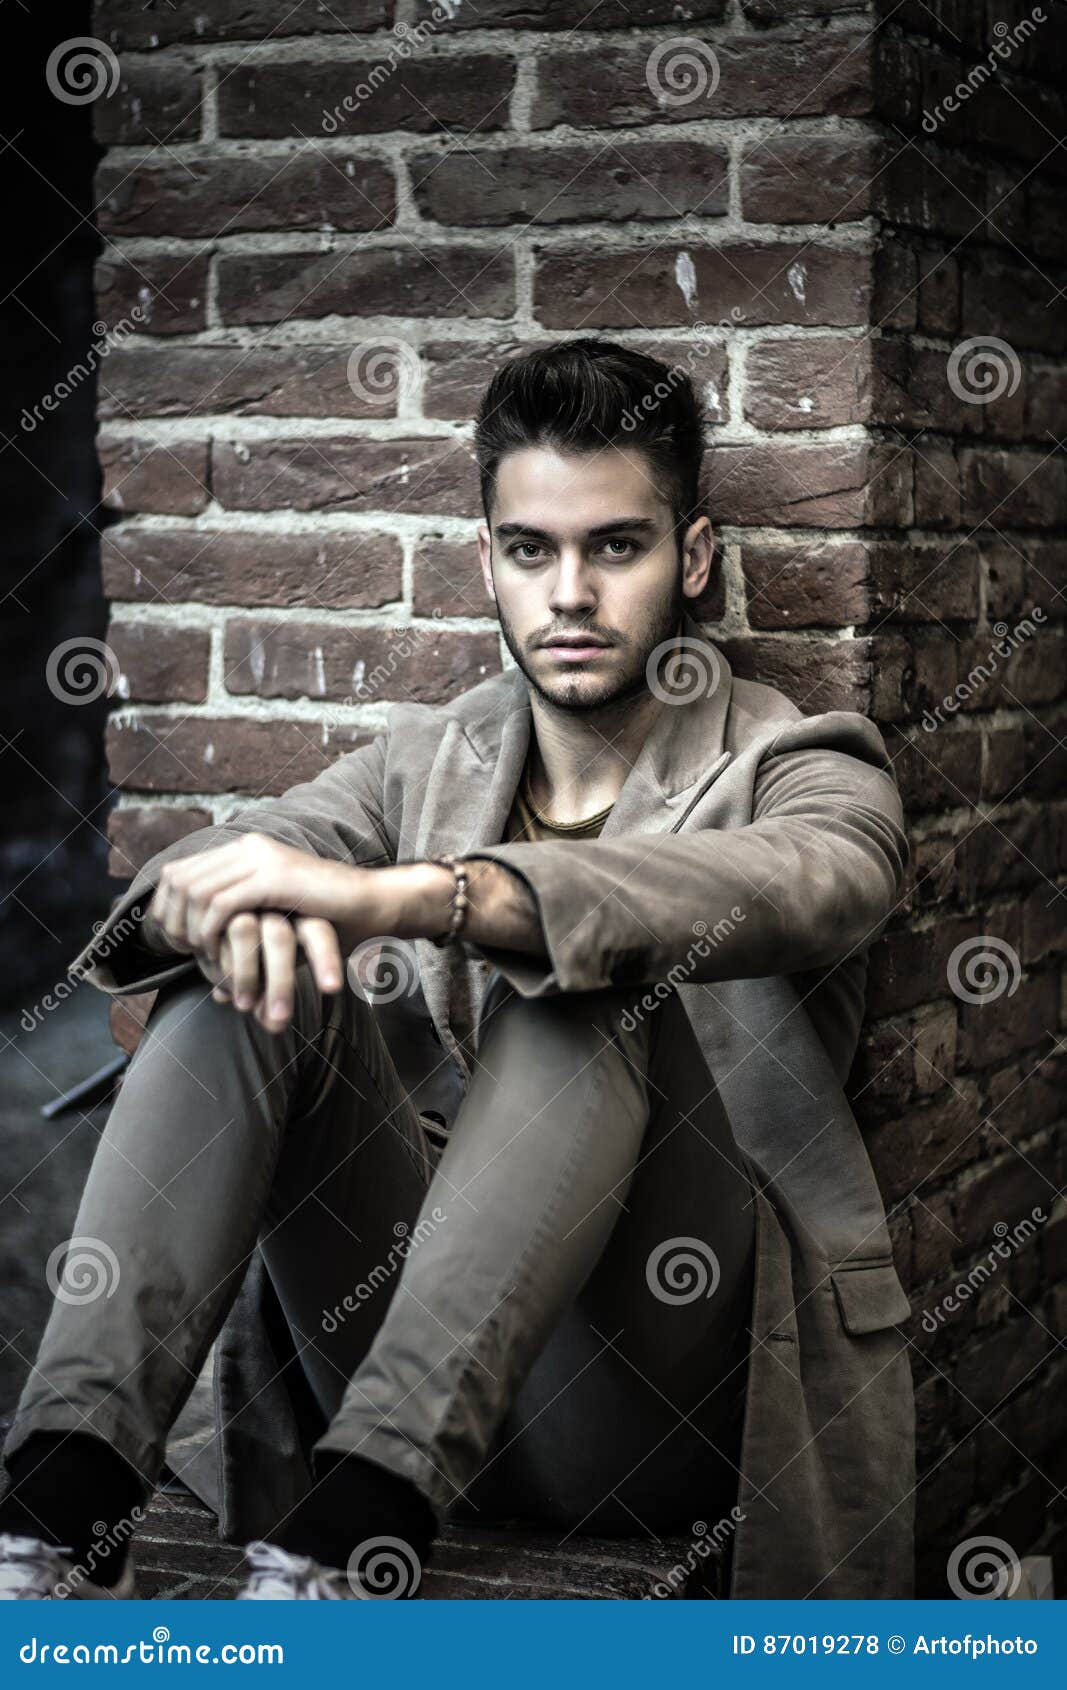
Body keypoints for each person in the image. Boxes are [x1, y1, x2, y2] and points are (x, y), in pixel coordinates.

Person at [0, 339, 915, 1601]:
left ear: (690, 559)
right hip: (402, 1362)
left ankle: (346, 1554)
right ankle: (62, 1509)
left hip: (660, 1394)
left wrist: (436, 896)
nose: (570, 594)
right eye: (532, 551)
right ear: (486, 563)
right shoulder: (425, 760)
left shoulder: (791, 757)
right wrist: (237, 894)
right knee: (249, 958)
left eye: (616, 546)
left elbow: (835, 874)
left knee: (579, 982)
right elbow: (228, 852)